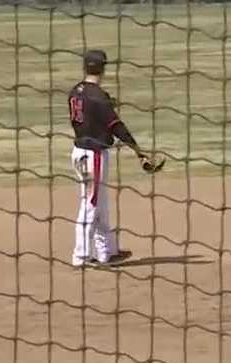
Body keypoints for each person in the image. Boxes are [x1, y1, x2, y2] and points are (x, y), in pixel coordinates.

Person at [67, 48, 162, 268]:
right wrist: (138, 151)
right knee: (91, 204)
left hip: (80, 152)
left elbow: (86, 118)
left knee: (100, 204)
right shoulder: (99, 97)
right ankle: (80, 256)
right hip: (94, 156)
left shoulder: (75, 91)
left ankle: (106, 252)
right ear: (103, 68)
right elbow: (117, 127)